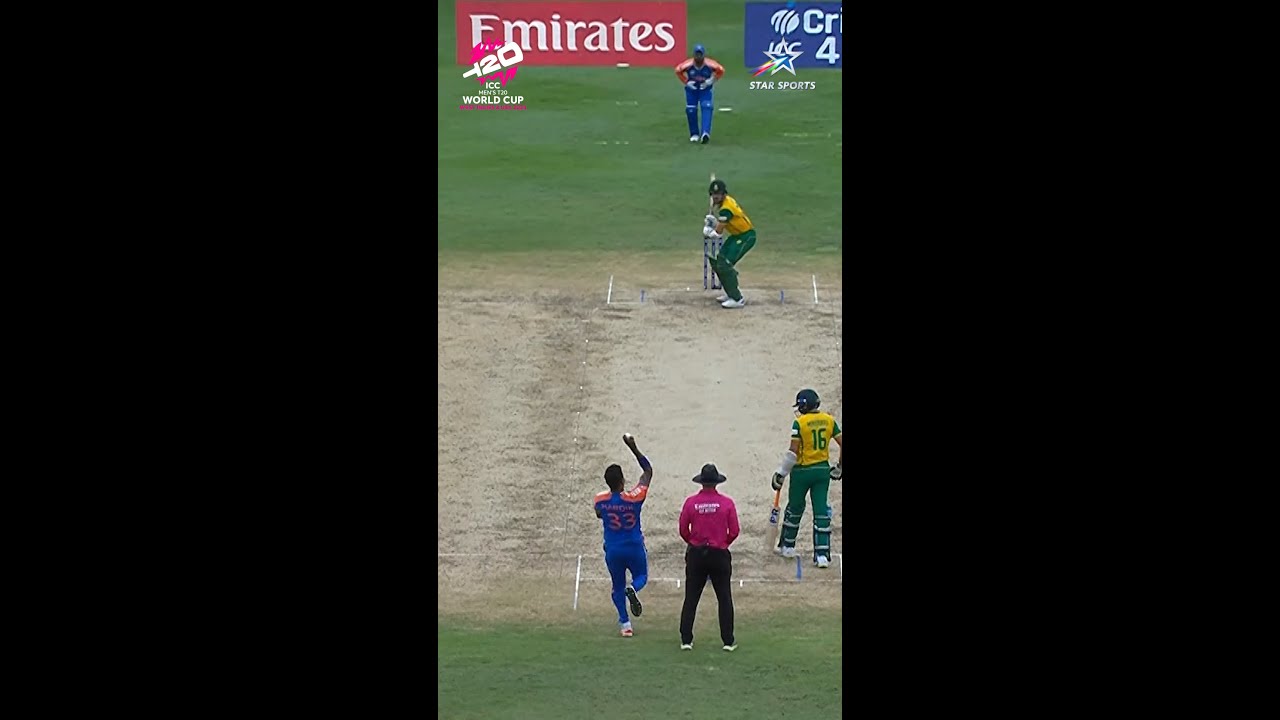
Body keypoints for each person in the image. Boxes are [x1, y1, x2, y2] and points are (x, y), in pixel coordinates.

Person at [772, 389, 843, 567]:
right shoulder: (829, 420)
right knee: (821, 510)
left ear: (803, 406)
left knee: (795, 506)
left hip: (802, 471)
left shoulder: (799, 423)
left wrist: (781, 473)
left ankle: (787, 546)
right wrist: (840, 467)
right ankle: (822, 555)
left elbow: (793, 452)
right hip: (822, 471)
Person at [593, 433, 653, 637]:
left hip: (613, 549)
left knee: (616, 586)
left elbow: (599, 514)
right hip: (634, 545)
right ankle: (634, 589)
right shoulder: (634, 498)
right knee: (641, 576)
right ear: (622, 481)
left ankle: (625, 624)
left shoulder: (600, 499)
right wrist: (633, 448)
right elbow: (648, 471)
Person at [677, 464, 740, 651]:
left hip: (697, 553)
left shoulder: (690, 503)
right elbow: (735, 531)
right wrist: (723, 542)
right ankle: (727, 640)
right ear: (716, 482)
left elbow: (683, 529)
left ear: (702, 482)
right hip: (719, 553)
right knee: (724, 597)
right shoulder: (727, 503)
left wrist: (693, 542)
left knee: (691, 597)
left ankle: (686, 639)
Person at [703, 178, 756, 308]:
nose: (715, 197)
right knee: (719, 260)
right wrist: (714, 222)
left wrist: (709, 231)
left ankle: (737, 299)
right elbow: (723, 224)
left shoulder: (726, 208)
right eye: (713, 194)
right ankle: (730, 292)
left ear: (723, 194)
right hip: (736, 235)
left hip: (746, 236)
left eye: (718, 194)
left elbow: (718, 233)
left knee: (725, 263)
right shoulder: (726, 204)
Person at [674, 44, 725, 144]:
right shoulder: (688, 64)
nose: (698, 57)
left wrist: (711, 81)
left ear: (703, 55)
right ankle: (694, 134)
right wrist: (686, 82)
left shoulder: (710, 64)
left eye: (700, 55)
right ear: (694, 55)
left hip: (705, 89)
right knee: (691, 110)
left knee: (707, 107)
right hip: (692, 90)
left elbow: (721, 70)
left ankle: (705, 133)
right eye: (696, 55)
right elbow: (678, 70)